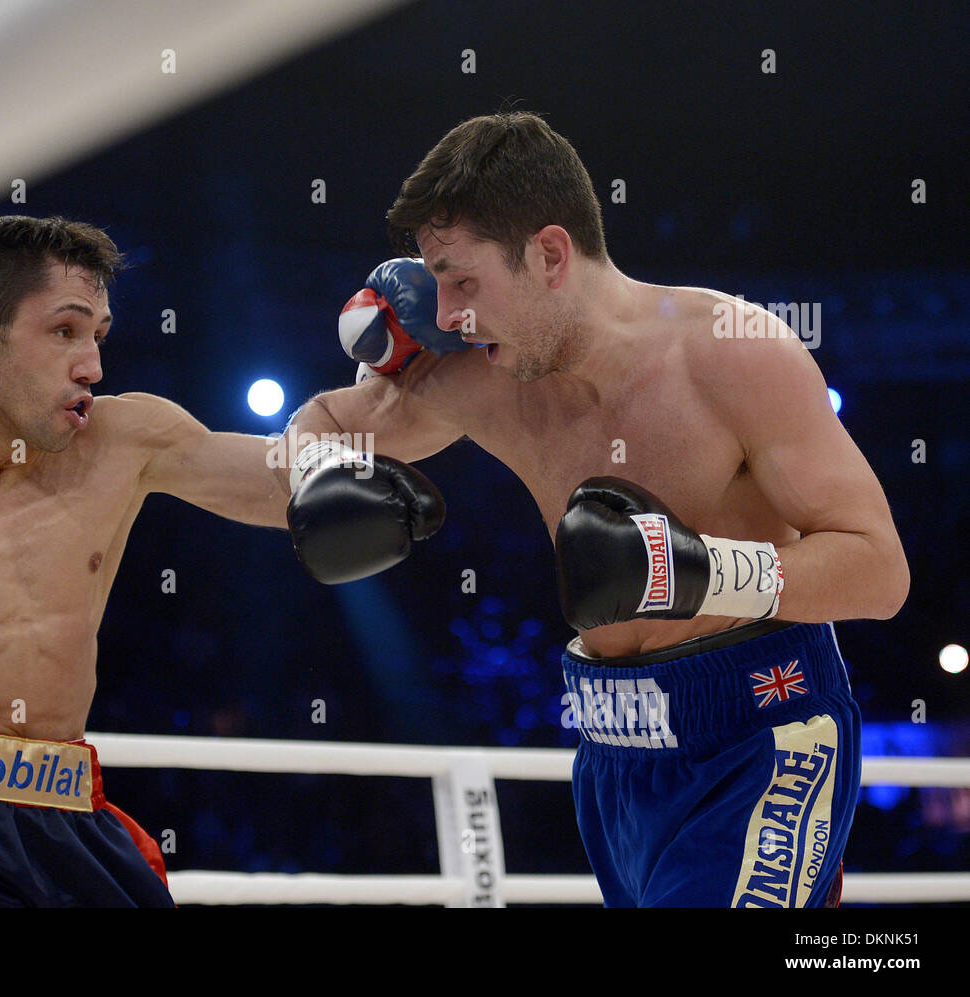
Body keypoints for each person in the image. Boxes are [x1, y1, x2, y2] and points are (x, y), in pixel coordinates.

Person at [278, 112, 909, 907]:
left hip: (764, 731)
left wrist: (702, 572)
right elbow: (327, 420)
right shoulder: (492, 380)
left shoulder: (733, 350)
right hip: (613, 748)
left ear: (548, 254)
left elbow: (881, 570)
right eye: (434, 280)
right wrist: (315, 470)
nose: (442, 315)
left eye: (462, 280)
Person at [0, 215, 439, 907]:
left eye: (98, 335)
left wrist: (407, 370)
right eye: (65, 331)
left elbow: (298, 477)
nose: (93, 365)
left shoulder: (125, 440)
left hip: (75, 823)